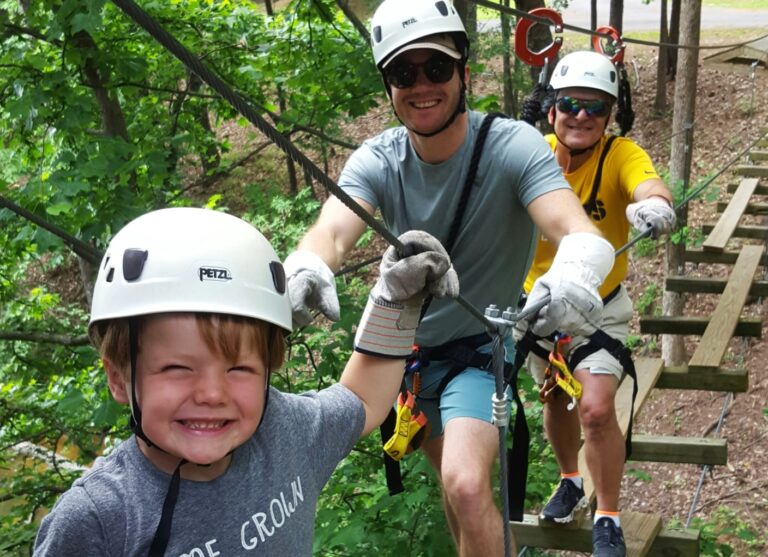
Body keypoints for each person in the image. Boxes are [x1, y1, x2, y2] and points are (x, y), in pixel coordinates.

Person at [283, 2, 616, 555]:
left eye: (436, 68)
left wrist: (578, 266)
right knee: (454, 487)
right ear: (387, 85)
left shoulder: (513, 147)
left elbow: (572, 226)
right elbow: (335, 230)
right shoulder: (379, 160)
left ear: (464, 71)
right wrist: (307, 264)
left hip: (480, 351)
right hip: (408, 360)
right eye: (402, 73)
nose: (421, 86)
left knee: (465, 483)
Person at [33, 207, 459, 556]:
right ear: (119, 378)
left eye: (239, 369)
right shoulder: (100, 520)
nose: (212, 394)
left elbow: (363, 400)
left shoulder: (283, 433)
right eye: (177, 369)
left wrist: (396, 304)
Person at [519, 50, 677, 557]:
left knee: (595, 407)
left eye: (594, 107)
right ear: (551, 109)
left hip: (599, 310)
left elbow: (648, 182)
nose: (581, 116)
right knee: (557, 400)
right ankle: (570, 479)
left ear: (609, 116)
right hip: (539, 309)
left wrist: (654, 203)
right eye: (570, 103)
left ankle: (607, 513)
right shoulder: (532, 154)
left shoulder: (619, 154)